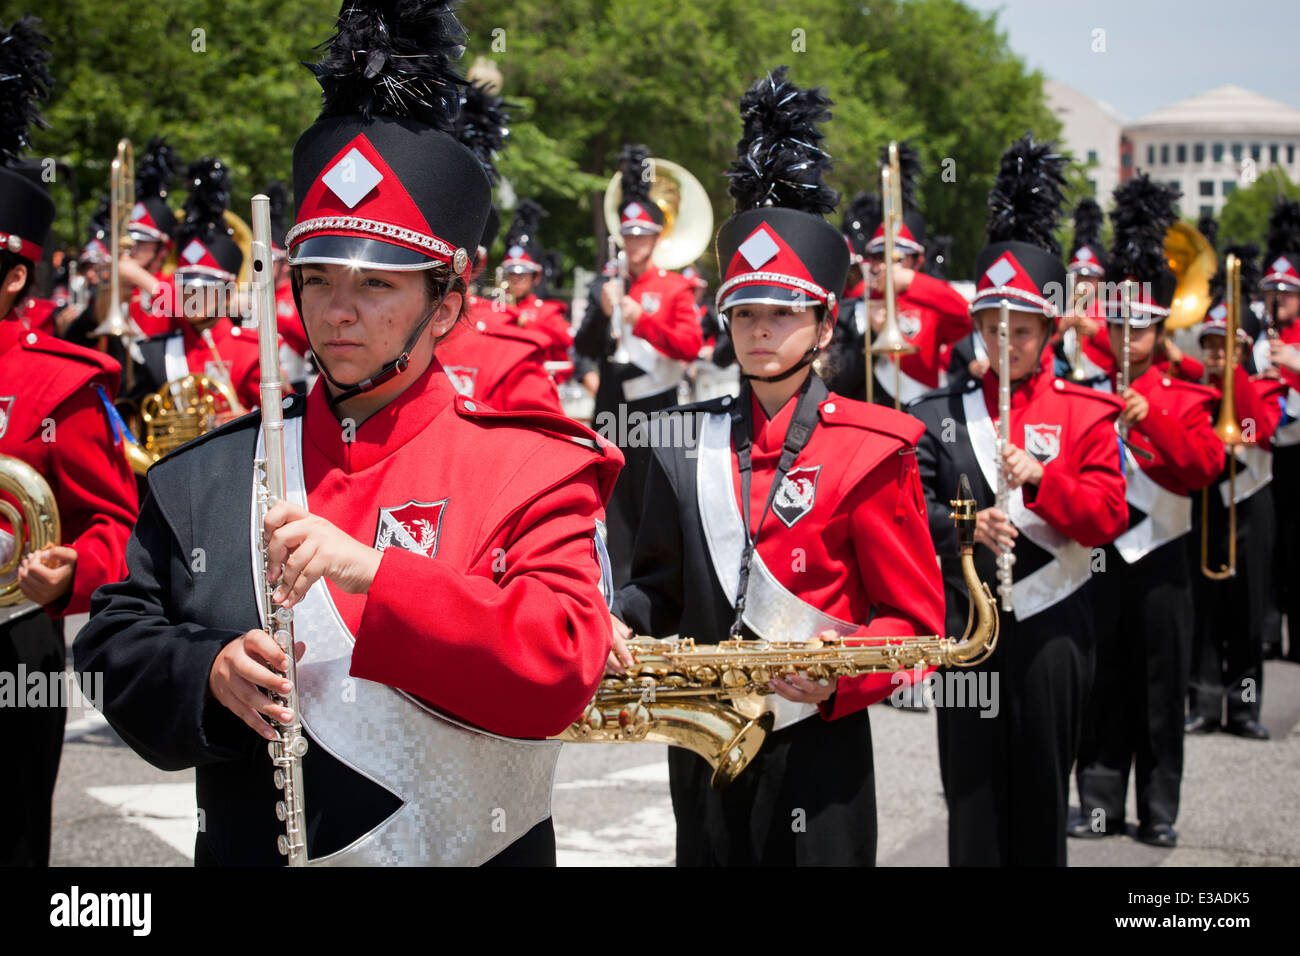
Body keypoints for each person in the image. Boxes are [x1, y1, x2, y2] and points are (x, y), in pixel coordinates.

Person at [75, 0, 621, 867]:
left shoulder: (532, 465)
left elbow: (561, 660)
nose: (336, 312)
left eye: (375, 287)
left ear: (446, 304)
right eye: (318, 279)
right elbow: (114, 640)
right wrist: (206, 673)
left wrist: (377, 576)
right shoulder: (211, 474)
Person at [609, 66, 944, 866]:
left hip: (819, 746)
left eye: (783, 314)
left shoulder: (874, 446)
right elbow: (651, 592)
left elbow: (918, 626)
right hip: (701, 743)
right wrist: (616, 627)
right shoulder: (677, 443)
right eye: (745, 313)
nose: (760, 331)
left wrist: (840, 681)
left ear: (826, 325)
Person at [908, 134, 1128, 867]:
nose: (1006, 342)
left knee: (1039, 795)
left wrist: (1042, 479)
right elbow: (914, 514)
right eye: (993, 327)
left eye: (1023, 330)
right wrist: (969, 525)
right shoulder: (941, 413)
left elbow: (1105, 522)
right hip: (968, 624)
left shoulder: (1084, 411)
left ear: (1051, 332)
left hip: (1054, 628)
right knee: (968, 795)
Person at [0, 14, 138, 865]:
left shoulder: (61, 382)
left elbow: (119, 530)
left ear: (14, 275)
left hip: (11, 649)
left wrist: (73, 570)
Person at [1071, 176, 1224, 849]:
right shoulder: (1085, 390)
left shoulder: (1186, 391)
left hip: (1162, 557)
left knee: (1161, 689)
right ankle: (1098, 801)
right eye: (1120, 322)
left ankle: (1159, 809)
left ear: (1161, 327)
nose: (1129, 334)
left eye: (1142, 323)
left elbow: (1203, 468)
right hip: (1100, 554)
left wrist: (1151, 416)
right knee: (1102, 679)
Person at [574, 143, 703, 585]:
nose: (635, 244)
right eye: (629, 235)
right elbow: (584, 345)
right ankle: (618, 585)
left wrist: (641, 320)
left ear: (656, 238)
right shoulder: (606, 283)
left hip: (657, 405)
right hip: (613, 400)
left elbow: (690, 345)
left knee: (655, 492)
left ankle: (659, 583)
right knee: (611, 493)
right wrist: (606, 311)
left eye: (643, 236)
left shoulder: (673, 288)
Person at [1185, 302, 1284, 740]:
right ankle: (1204, 703)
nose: (1215, 355)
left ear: (1242, 350)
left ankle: (1244, 708)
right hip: (1206, 502)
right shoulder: (1194, 390)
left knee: (1247, 605)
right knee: (1204, 607)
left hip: (1251, 505)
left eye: (1224, 347)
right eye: (1209, 347)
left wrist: (1234, 375)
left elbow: (1256, 430)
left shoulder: (1262, 387)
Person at [126, 158, 263, 413]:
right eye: (186, 286)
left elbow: (285, 422)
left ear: (228, 290)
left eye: (204, 288)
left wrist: (246, 420)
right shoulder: (158, 353)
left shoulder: (252, 352)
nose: (193, 295)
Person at [859, 143, 971, 407]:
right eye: (879, 257)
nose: (885, 265)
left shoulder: (928, 300)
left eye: (897, 258)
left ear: (917, 261)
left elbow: (965, 316)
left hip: (921, 404)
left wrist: (910, 282)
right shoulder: (861, 299)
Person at [1259, 198, 1300, 663]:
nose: (1279, 300)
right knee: (1270, 550)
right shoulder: (1262, 334)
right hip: (1269, 452)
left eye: (1287, 292)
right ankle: (1268, 632)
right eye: (1273, 292)